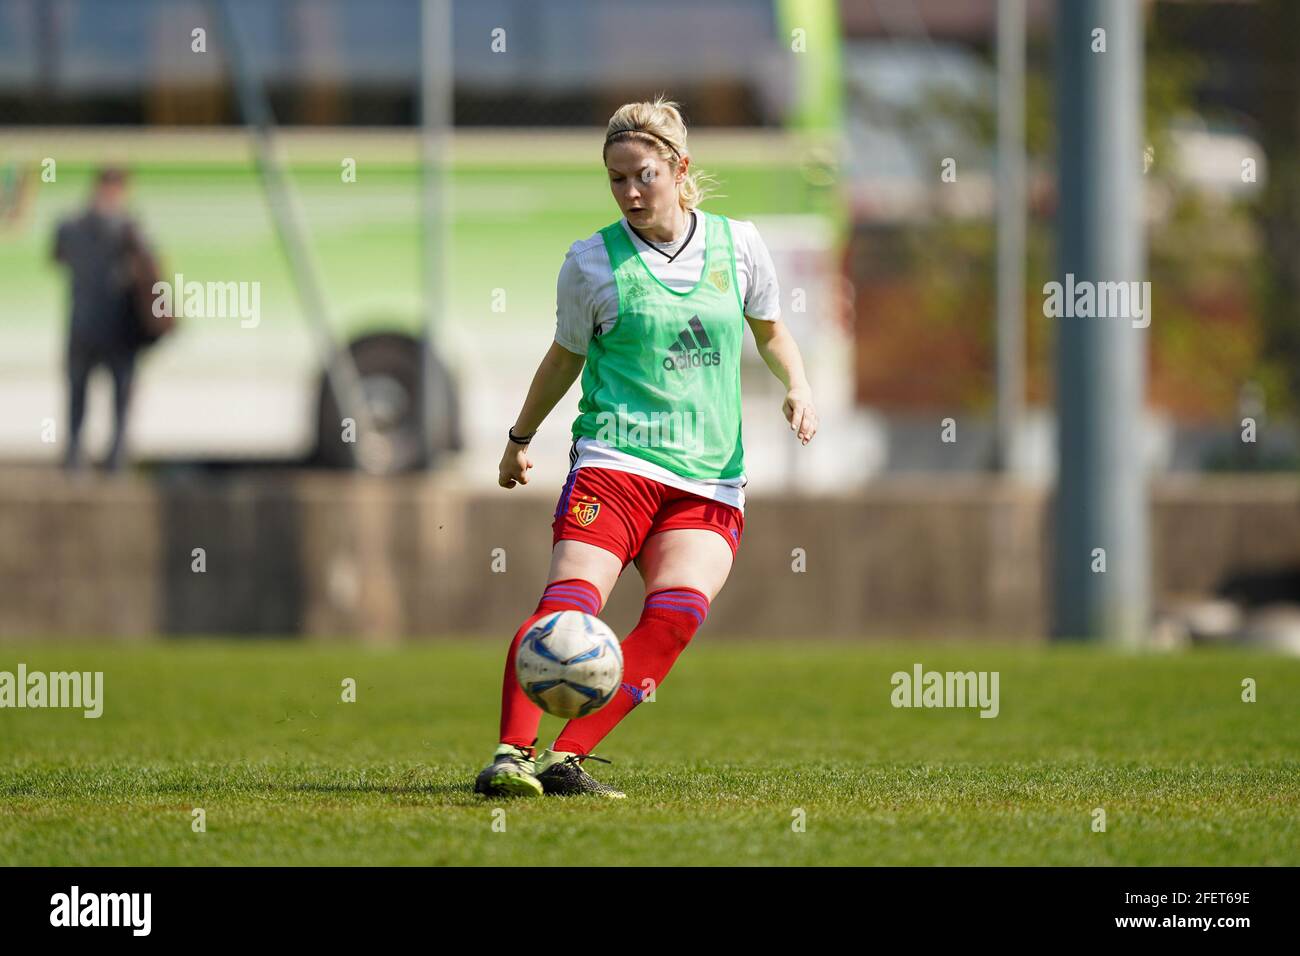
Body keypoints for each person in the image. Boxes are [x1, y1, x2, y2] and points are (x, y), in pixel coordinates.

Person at [476, 97, 819, 799]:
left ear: (680, 168)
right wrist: (518, 440)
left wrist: (799, 386)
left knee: (676, 616)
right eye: (616, 179)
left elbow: (771, 331)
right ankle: (511, 754)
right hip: (617, 464)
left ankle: (565, 760)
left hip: (710, 481)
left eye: (645, 176)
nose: (631, 193)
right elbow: (563, 359)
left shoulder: (740, 246)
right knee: (567, 610)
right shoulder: (591, 262)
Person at [52, 166, 146, 472]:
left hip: (83, 324)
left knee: (80, 396)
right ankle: (113, 459)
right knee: (116, 396)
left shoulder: (69, 225)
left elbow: (57, 258)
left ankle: (76, 458)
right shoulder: (128, 228)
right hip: (115, 326)